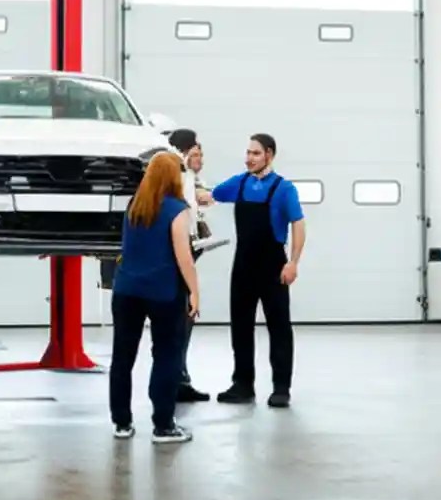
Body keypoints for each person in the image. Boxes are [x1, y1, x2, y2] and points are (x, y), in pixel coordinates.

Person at [200, 133, 306, 408]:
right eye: (247, 153)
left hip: (273, 266)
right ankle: (242, 385)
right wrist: (188, 179)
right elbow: (208, 195)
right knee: (240, 326)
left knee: (279, 327)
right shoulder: (240, 183)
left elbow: (298, 224)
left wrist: (292, 262)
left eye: (255, 153)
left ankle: (281, 387)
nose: (249, 158)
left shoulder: (284, 188)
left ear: (269, 155)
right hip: (244, 265)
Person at [109, 151, 202, 444]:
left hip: (126, 291)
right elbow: (183, 257)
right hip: (163, 292)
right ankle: (163, 425)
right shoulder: (177, 209)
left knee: (123, 357)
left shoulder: (134, 205)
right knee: (166, 355)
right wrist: (195, 293)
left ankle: (121, 423)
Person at [166, 129, 211, 403]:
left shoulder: (188, 178)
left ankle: (180, 378)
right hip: (177, 256)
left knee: (183, 321)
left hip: (188, 250)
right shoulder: (175, 177)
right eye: (196, 153)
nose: (200, 158)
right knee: (179, 320)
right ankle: (176, 381)